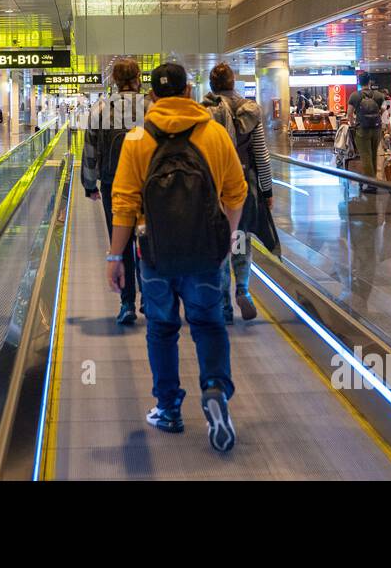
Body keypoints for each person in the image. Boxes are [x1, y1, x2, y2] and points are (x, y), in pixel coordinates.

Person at [107, 62, 246, 452]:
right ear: (188, 91)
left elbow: (123, 204)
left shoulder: (137, 138)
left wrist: (114, 258)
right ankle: (215, 387)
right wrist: (226, 236)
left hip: (155, 252)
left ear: (152, 96)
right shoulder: (214, 134)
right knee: (209, 324)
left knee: (161, 328)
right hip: (205, 252)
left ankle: (168, 409)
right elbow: (236, 192)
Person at [202, 62, 272, 324]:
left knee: (218, 242)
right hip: (243, 184)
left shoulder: (204, 113)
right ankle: (242, 288)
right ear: (234, 83)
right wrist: (267, 190)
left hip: (214, 186)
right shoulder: (249, 111)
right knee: (240, 237)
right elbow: (261, 155)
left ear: (212, 85)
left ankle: (223, 304)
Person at [82, 58, 150, 325]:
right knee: (146, 239)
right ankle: (148, 297)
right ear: (138, 78)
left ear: (113, 80)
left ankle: (127, 303)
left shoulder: (100, 109)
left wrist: (90, 185)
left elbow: (90, 151)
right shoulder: (151, 107)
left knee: (119, 242)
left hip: (114, 184)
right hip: (148, 184)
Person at [348, 74, 386, 193]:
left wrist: (353, 123)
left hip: (362, 129)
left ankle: (371, 185)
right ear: (369, 82)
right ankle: (374, 181)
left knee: (366, 156)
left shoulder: (355, 95)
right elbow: (384, 109)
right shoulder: (379, 95)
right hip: (376, 129)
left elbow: (349, 113)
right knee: (374, 155)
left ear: (359, 82)